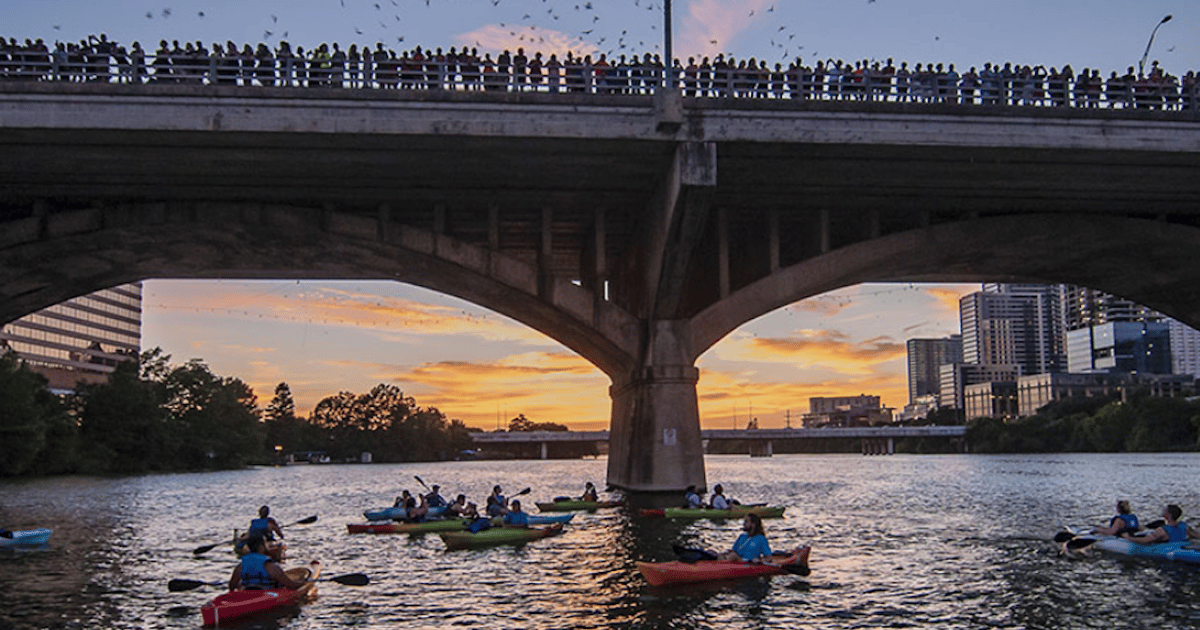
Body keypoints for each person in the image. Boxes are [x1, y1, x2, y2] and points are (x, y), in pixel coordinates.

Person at [228, 534, 314, 591]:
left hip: (247, 594)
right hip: (266, 596)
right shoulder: (270, 567)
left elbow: (232, 586)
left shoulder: (241, 566)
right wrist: (305, 582)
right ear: (262, 547)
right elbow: (291, 586)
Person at [1122, 504, 1199, 544]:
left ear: (1169, 515)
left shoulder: (1162, 530)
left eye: (1165, 510)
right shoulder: (1184, 525)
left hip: (1168, 549)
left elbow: (1145, 540)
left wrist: (1128, 538)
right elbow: (1196, 534)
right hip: (1180, 545)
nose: (1163, 510)